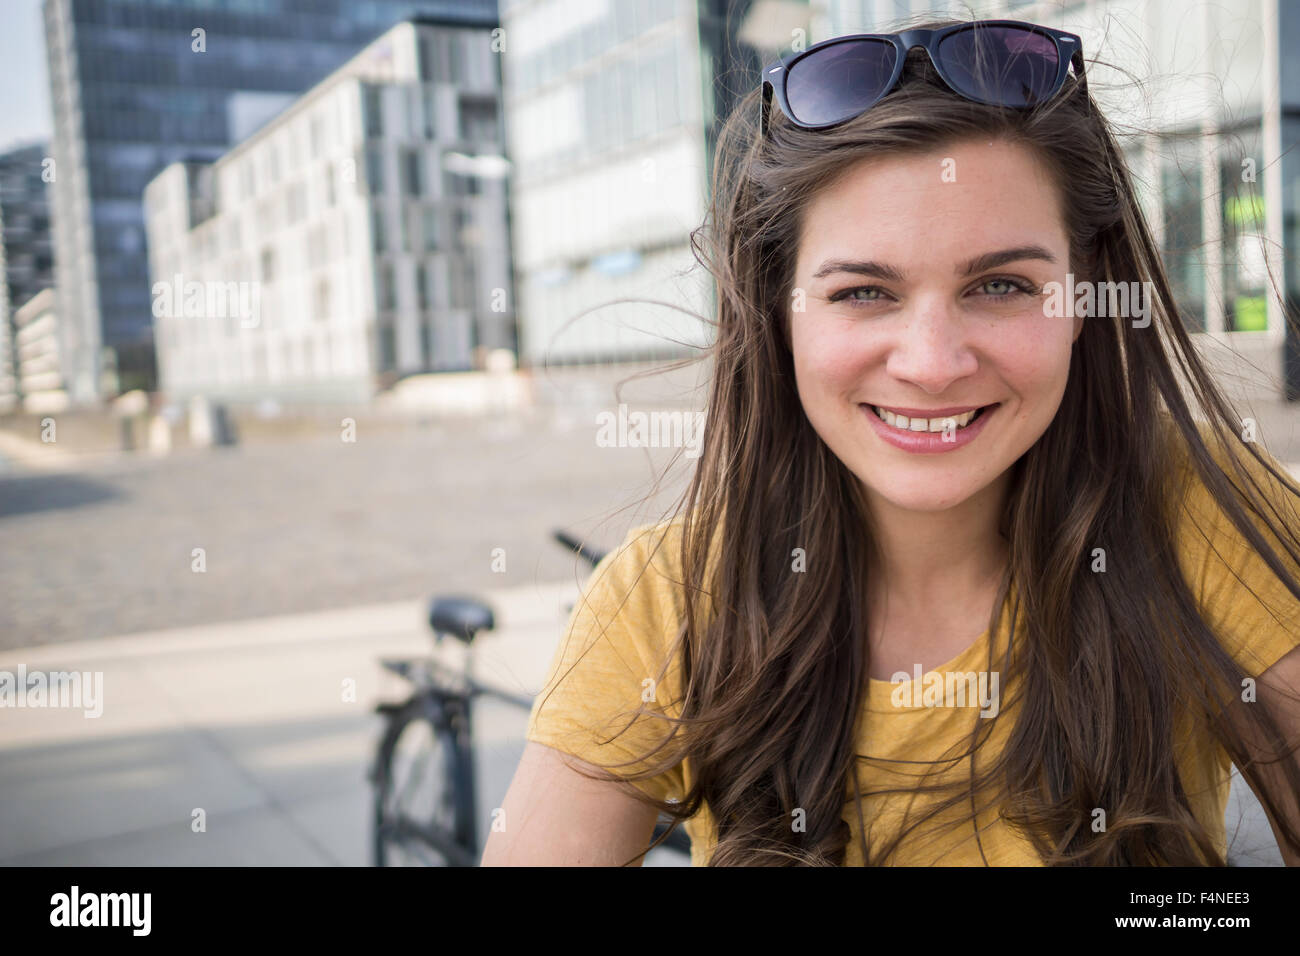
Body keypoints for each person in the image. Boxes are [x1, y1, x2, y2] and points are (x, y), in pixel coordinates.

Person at [481, 17, 1300, 866]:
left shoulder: (1194, 502)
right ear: (778, 313)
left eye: (1001, 285)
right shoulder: (668, 601)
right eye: (865, 293)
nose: (934, 364)